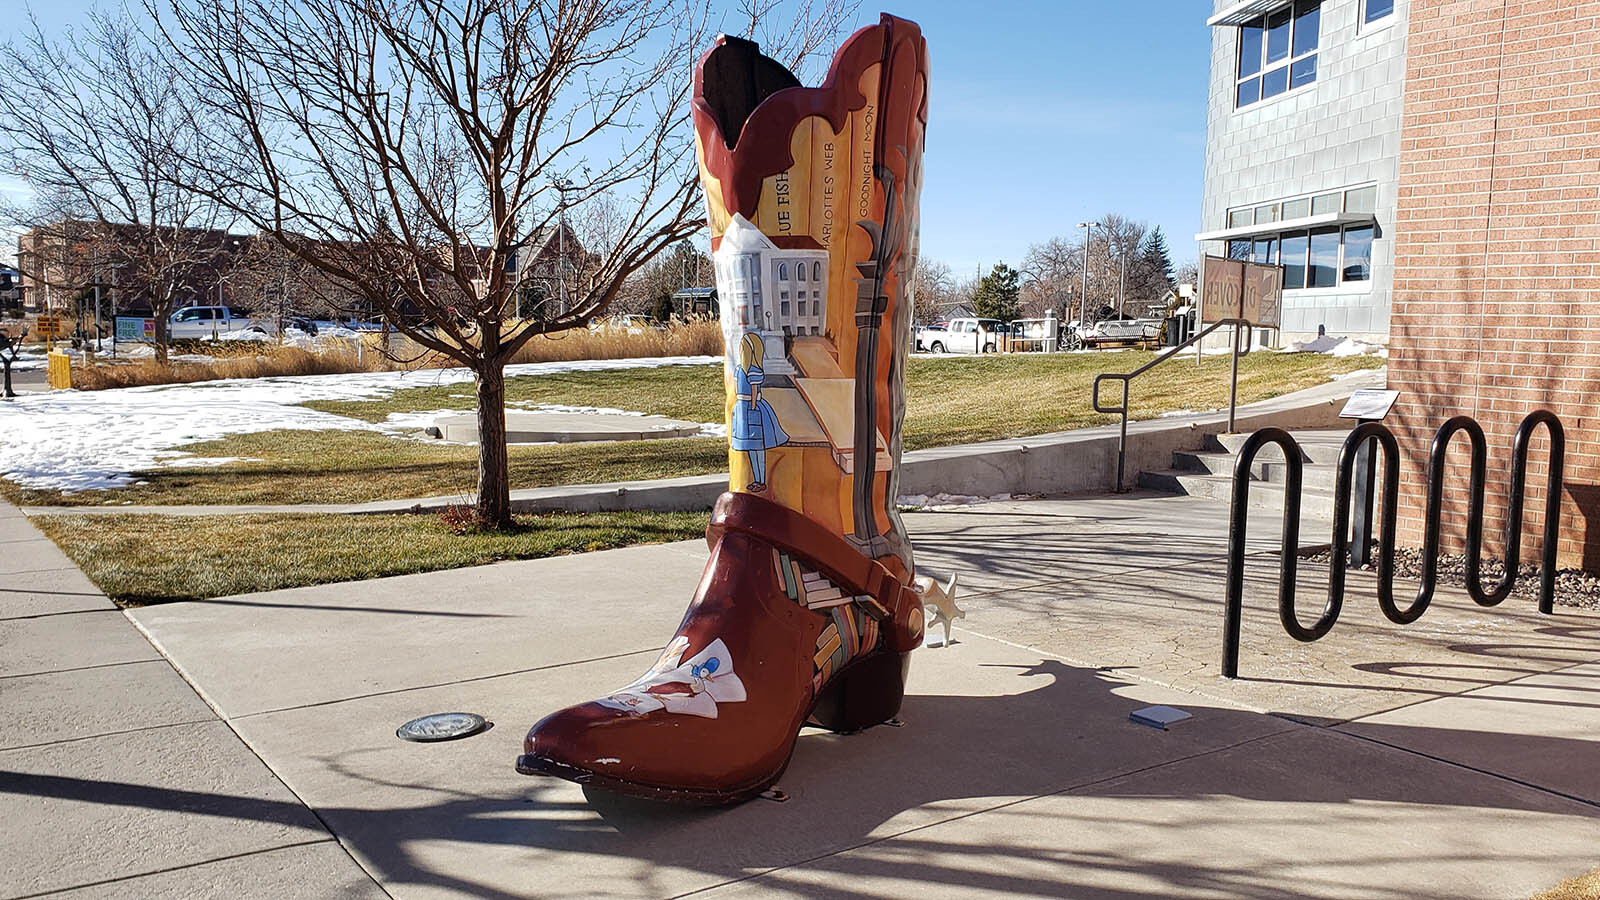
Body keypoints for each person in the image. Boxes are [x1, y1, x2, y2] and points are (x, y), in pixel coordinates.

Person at [729, 331, 788, 491]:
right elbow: (735, 389)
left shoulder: (753, 370)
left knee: (758, 446)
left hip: (751, 409)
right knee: (749, 446)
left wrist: (753, 407)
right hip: (742, 409)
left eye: (743, 348)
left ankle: (760, 480)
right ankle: (756, 479)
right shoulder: (739, 369)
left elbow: (754, 391)